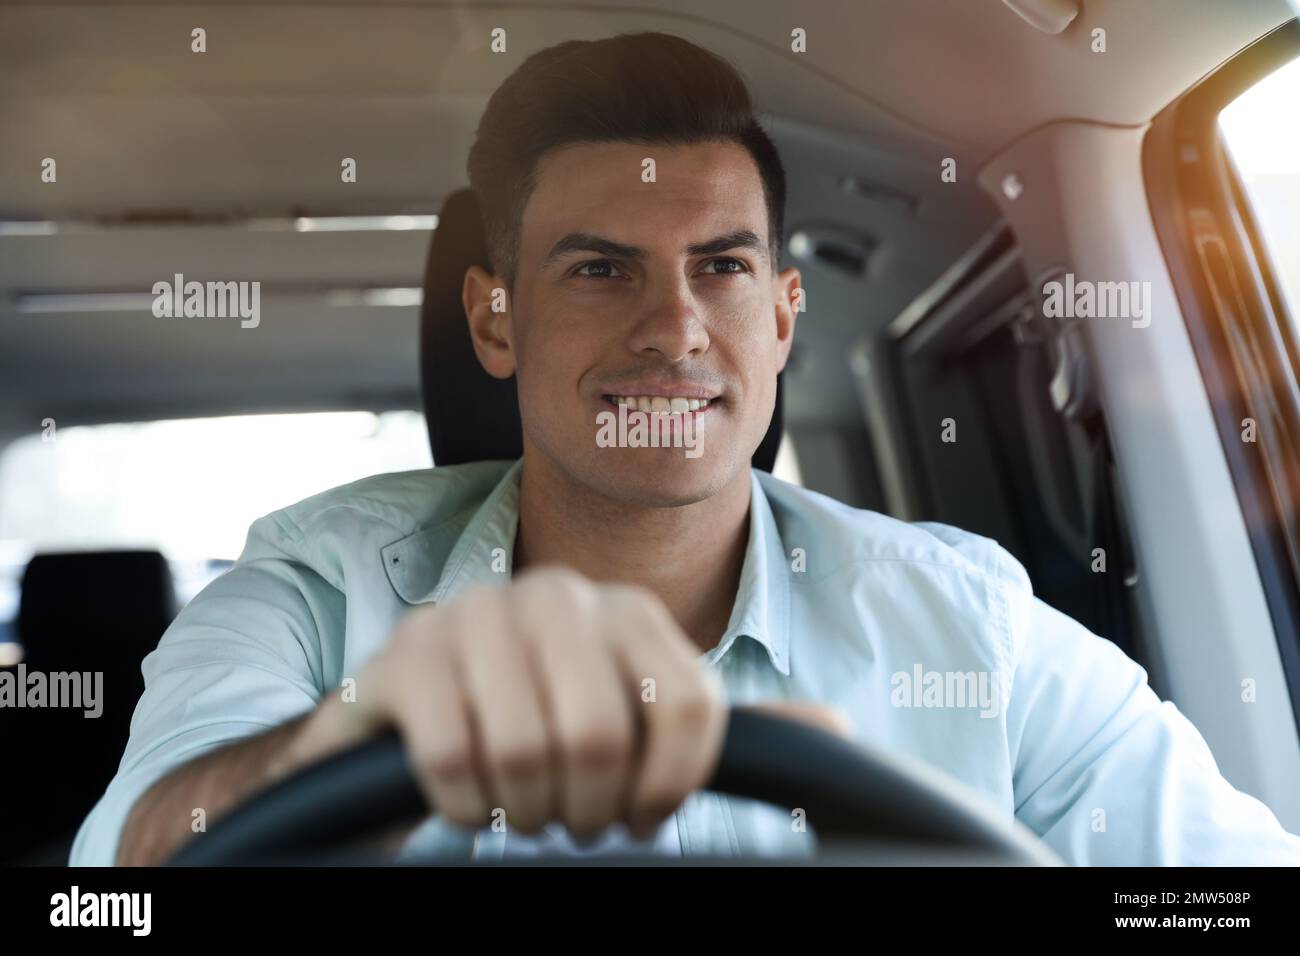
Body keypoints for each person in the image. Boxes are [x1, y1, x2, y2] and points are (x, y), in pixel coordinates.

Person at [73, 31, 1300, 866]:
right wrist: (334, 752)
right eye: (599, 268)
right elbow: (114, 887)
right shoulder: (311, 586)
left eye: (720, 267)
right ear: (496, 319)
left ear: (778, 318)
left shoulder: (969, 626)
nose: (672, 330)